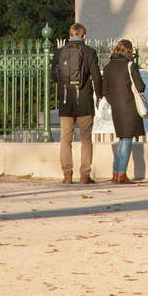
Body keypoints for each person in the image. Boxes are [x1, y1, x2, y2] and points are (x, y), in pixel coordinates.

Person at [51, 22, 102, 185]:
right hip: (84, 101)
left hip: (66, 101)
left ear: (69, 35)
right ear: (84, 36)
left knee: (65, 139)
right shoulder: (90, 52)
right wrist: (99, 94)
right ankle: (84, 175)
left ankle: (67, 175)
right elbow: (96, 76)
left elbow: (53, 77)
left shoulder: (59, 52)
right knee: (86, 139)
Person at [101, 38, 147, 184]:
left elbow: (104, 90)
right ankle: (121, 174)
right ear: (129, 50)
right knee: (127, 140)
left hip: (116, 107)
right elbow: (140, 87)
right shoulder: (130, 65)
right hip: (129, 106)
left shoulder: (108, 67)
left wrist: (114, 101)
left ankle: (116, 173)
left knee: (122, 139)